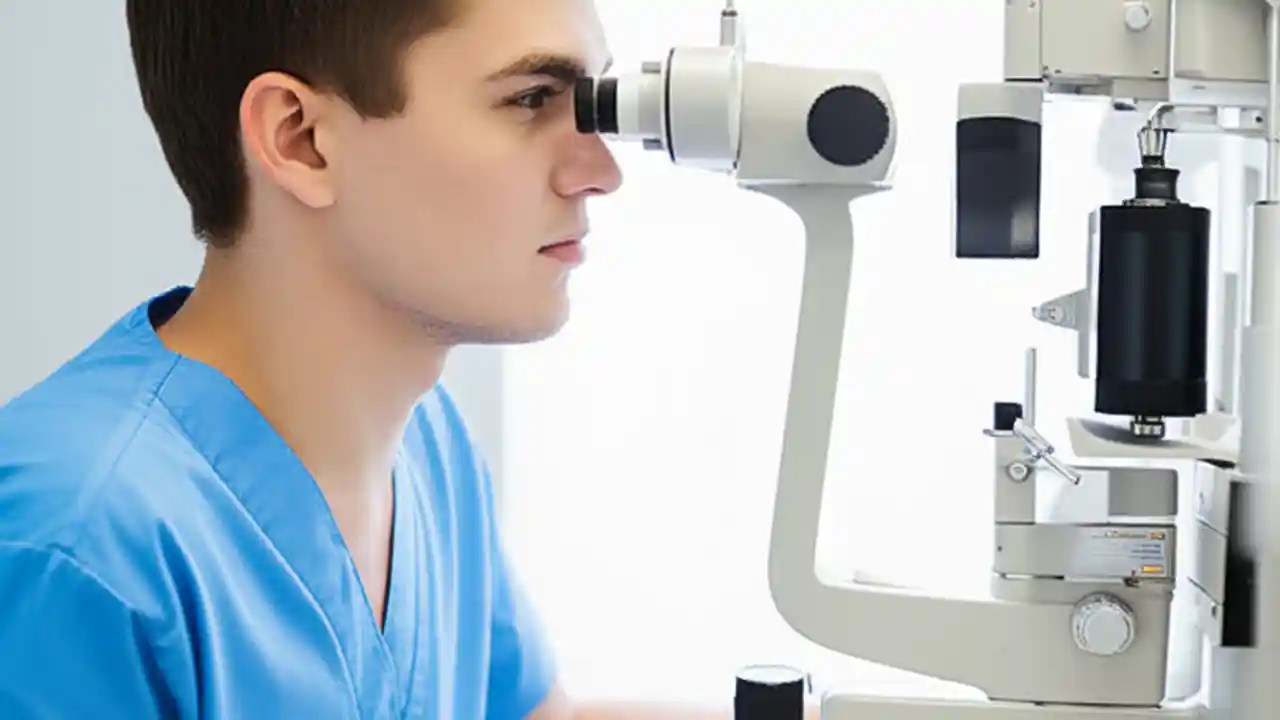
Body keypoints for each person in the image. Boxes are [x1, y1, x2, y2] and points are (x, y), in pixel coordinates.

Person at [0, 0, 768, 717]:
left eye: (591, 106)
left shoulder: (426, 444)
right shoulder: (74, 546)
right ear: (300, 139)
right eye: (533, 99)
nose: (600, 172)